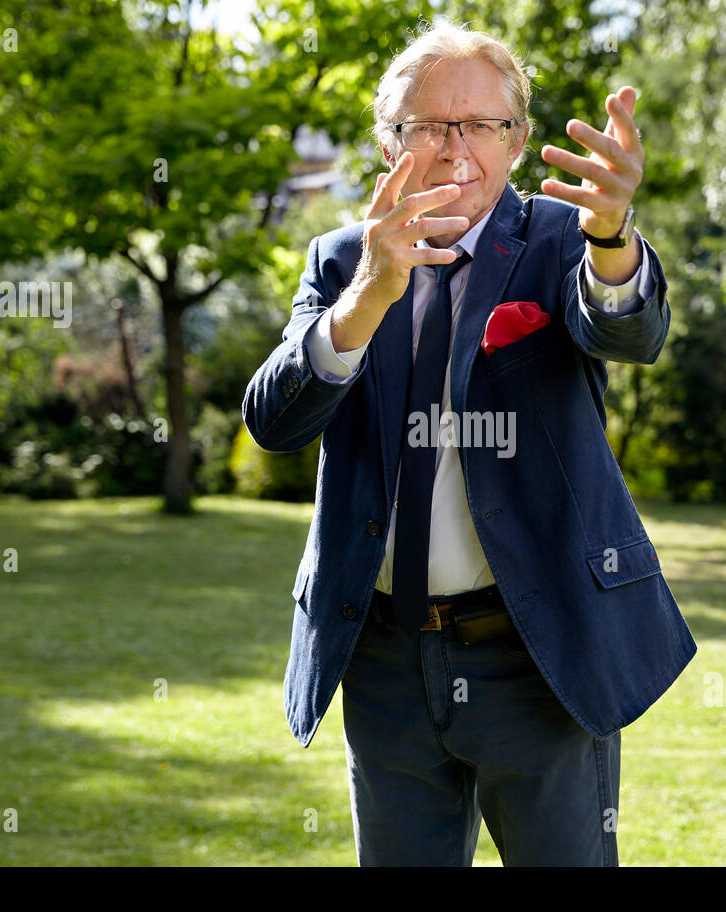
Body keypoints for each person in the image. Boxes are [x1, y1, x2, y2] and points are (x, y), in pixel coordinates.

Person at [242, 19, 697, 866]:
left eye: (480, 124)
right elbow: (275, 421)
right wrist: (369, 300)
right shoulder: (340, 260)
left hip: (537, 654)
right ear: (389, 144)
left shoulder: (566, 239)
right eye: (427, 126)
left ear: (517, 141)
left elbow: (630, 332)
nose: (455, 148)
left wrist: (612, 238)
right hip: (381, 660)